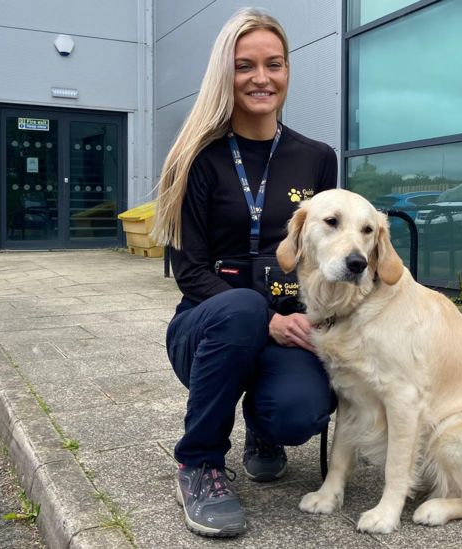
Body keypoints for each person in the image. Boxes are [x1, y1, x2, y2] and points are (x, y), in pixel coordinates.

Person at [151, 8, 337, 538]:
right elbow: (190, 271)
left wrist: (319, 322)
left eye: (273, 64)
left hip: (289, 325)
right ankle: (199, 462)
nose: (261, 78)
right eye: (245, 66)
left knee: (299, 412)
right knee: (243, 308)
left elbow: (326, 256)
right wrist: (266, 320)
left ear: (287, 70)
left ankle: (264, 426)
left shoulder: (318, 158)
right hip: (209, 328)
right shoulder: (196, 159)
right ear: (224, 74)